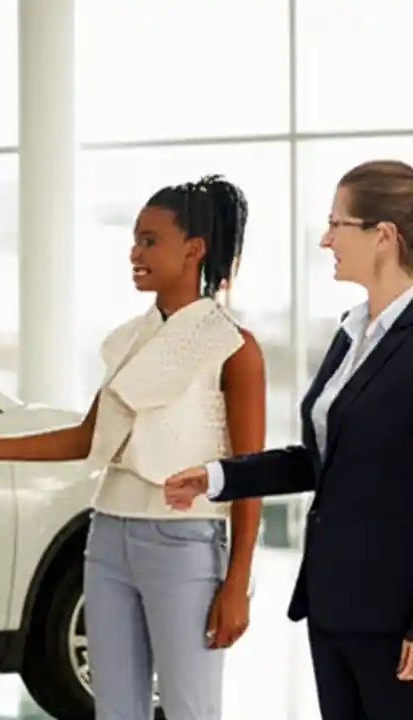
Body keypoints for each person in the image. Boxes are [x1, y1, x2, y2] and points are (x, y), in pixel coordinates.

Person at [0, 175, 266, 720]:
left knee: (190, 709)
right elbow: (85, 439)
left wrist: (238, 580)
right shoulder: (130, 340)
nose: (134, 253)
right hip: (107, 537)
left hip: (186, 543)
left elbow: (248, 474)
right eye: (134, 239)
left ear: (193, 250)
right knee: (114, 711)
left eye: (150, 241)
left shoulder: (234, 348)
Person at [165, 160, 413, 720]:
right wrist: (218, 476)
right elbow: (321, 460)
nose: (325, 239)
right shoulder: (352, 333)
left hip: (395, 621)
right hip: (333, 606)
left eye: (337, 224)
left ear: (384, 237)